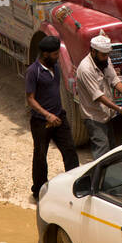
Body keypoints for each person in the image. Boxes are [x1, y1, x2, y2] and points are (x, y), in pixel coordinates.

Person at [25, 36, 79, 199]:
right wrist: (47, 115)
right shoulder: (33, 71)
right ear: (45, 54)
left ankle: (74, 185)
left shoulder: (55, 67)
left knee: (70, 151)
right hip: (41, 122)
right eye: (55, 54)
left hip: (59, 117)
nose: (57, 57)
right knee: (40, 155)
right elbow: (30, 99)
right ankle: (39, 191)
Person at [75, 33, 122, 157]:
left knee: (112, 148)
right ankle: (98, 174)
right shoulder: (85, 69)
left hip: (107, 113)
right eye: (103, 55)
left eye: (107, 54)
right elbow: (98, 96)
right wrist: (118, 108)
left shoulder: (105, 60)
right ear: (93, 51)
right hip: (94, 116)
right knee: (102, 150)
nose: (106, 57)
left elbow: (113, 79)